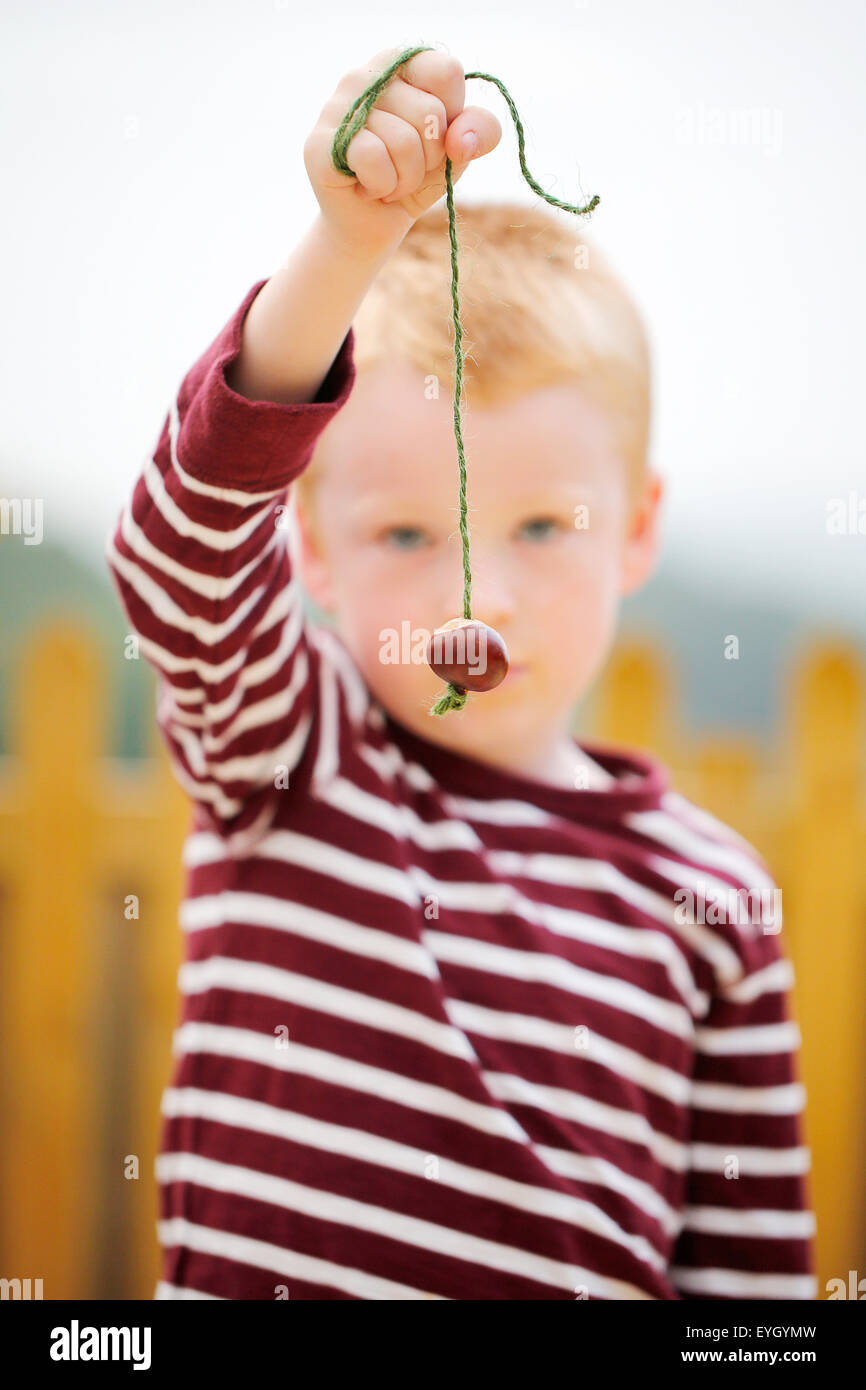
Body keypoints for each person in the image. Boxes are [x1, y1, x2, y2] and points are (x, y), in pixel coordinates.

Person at [105, 45, 816, 1299]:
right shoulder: (291, 751)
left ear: (636, 528)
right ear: (313, 548)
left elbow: (750, 1290)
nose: (471, 596)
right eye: (404, 534)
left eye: (541, 529)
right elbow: (179, 555)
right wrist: (343, 246)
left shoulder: (716, 898)